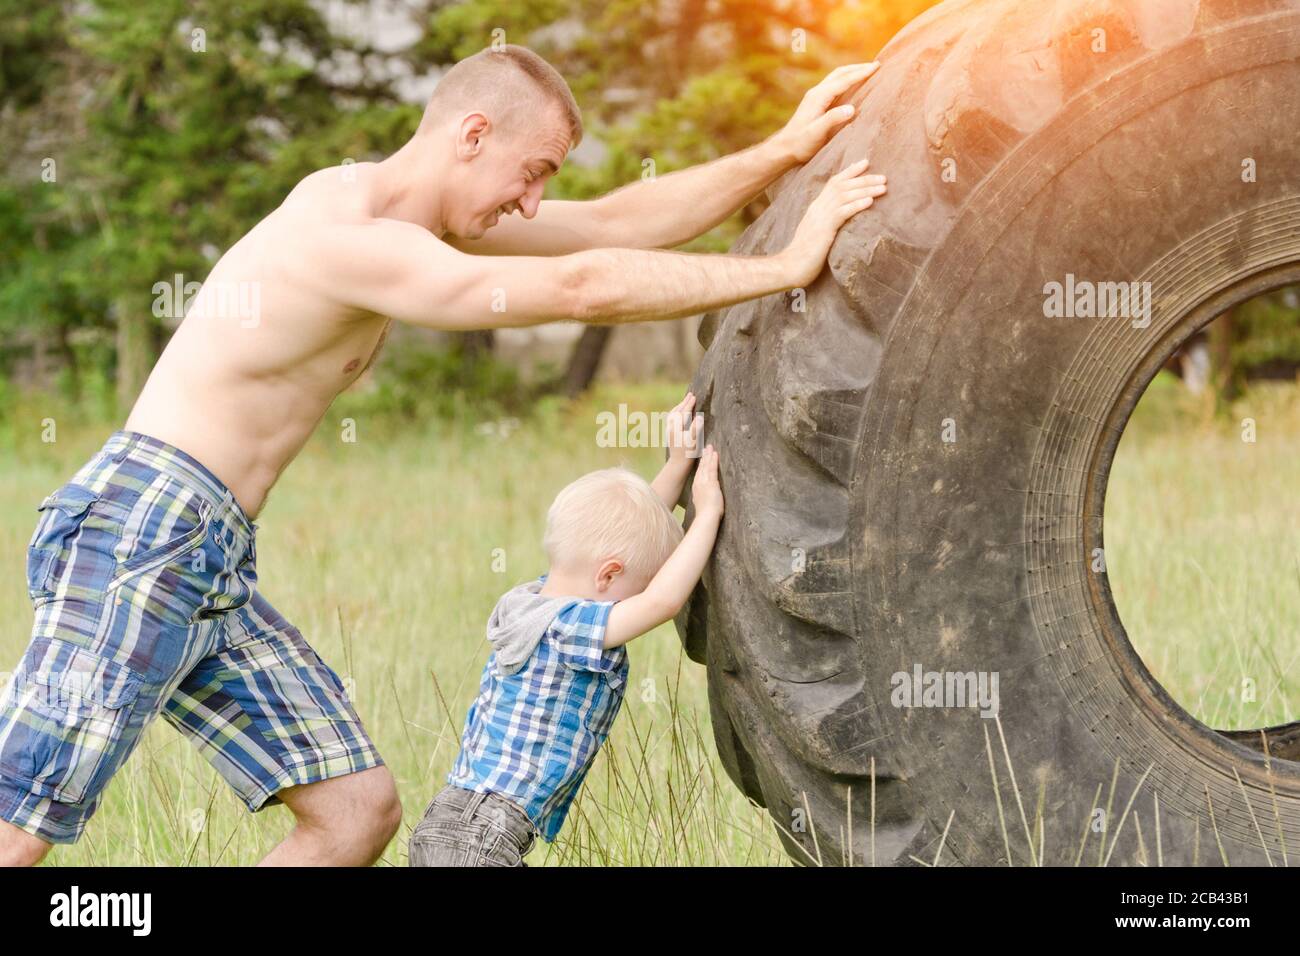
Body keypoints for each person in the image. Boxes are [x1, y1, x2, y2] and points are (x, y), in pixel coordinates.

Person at [0, 43, 885, 866]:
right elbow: (582, 284)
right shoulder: (350, 240)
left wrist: (781, 150)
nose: (532, 204)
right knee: (23, 814)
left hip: (209, 547)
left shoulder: (403, 218)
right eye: (531, 173)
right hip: (142, 531)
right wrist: (788, 266)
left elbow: (611, 223)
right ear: (472, 135)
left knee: (357, 812)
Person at [409, 395, 718, 866]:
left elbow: (634, 533)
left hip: (447, 821)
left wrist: (679, 463)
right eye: (633, 584)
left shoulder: (530, 602)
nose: (636, 597)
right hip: (483, 838)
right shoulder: (571, 629)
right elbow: (663, 601)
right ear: (608, 576)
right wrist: (709, 513)